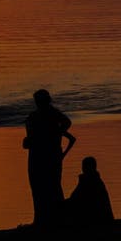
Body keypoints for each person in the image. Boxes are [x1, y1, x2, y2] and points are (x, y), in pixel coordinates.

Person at [23, 89, 76, 226]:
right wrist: (57, 132)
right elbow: (67, 123)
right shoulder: (44, 116)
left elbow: (67, 123)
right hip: (46, 157)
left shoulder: (40, 116)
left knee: (46, 187)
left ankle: (49, 219)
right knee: (46, 187)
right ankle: (46, 219)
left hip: (42, 157)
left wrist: (56, 132)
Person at [67, 156, 114, 226]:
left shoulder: (90, 183)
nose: (83, 169)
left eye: (84, 166)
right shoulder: (94, 181)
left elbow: (76, 200)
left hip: (95, 219)